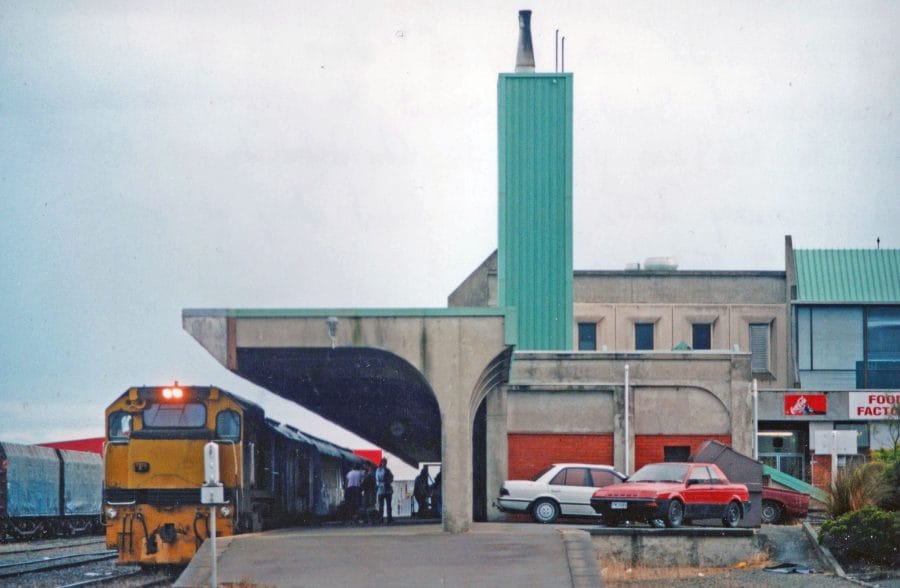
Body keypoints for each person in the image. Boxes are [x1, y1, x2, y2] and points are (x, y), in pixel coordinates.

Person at [375, 458, 394, 524]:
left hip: (381, 489)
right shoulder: (387, 470)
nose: (385, 464)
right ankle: (388, 518)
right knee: (387, 505)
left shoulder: (378, 470)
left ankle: (382, 519)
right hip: (386, 489)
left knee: (382, 505)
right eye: (385, 462)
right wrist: (388, 482)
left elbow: (377, 480)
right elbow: (391, 478)